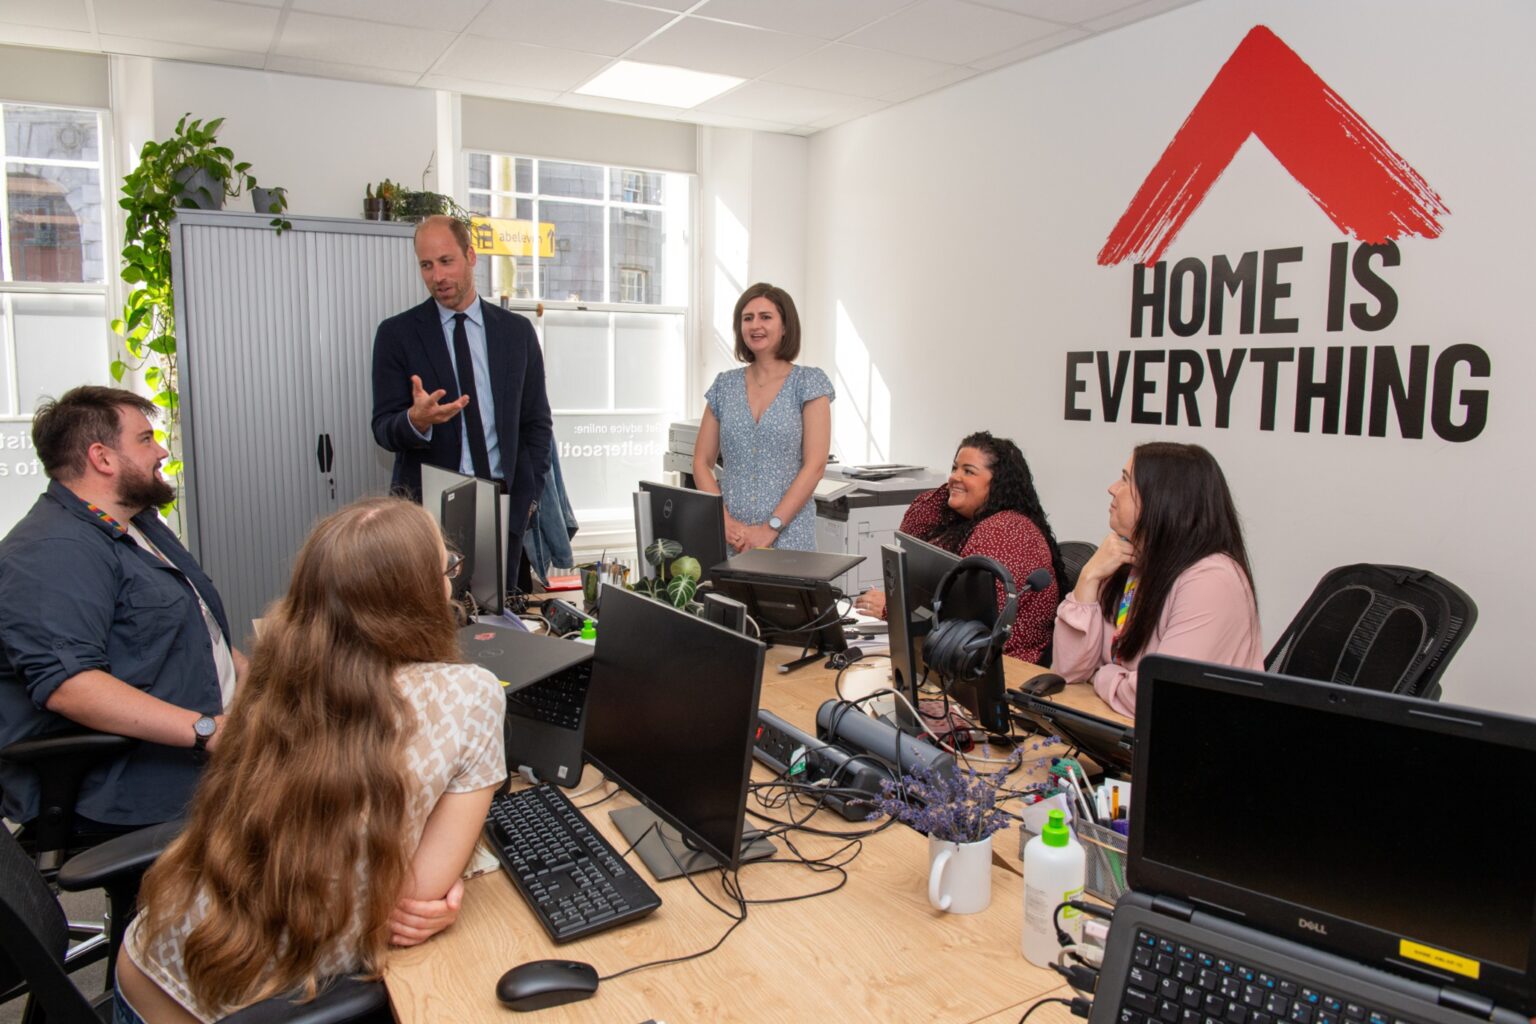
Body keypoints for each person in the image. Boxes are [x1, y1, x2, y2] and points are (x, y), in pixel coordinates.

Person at [117, 497, 506, 1023]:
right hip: (251, 1004)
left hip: (149, 963)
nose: (451, 583)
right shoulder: (470, 695)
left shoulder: (276, 673)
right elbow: (410, 904)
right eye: (446, 569)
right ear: (418, 594)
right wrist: (461, 868)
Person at [0, 386, 245, 833]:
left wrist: (279, 686)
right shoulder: (53, 549)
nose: (161, 451)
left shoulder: (138, 525)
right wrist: (210, 730)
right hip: (134, 783)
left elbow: (196, 631)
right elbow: (71, 686)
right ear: (102, 457)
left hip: (199, 749)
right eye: (146, 439)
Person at [370, 214, 554, 581]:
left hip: (505, 509)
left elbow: (536, 423)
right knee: (431, 628)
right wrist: (416, 421)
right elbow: (383, 428)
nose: (437, 277)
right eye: (426, 265)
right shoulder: (397, 334)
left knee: (502, 628)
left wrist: (527, 499)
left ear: (471, 256)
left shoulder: (517, 333)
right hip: (428, 519)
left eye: (445, 261)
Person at [1051, 442, 1263, 717]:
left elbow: (1157, 697)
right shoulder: (1126, 560)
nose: (1112, 488)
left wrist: (1102, 675)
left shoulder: (1212, 580)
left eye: (1126, 480)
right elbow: (1068, 671)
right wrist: (1089, 577)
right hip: (1118, 735)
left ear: (1163, 498)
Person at [853, 432, 1065, 664]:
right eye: (954, 468)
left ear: (999, 482)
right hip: (962, 659)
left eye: (969, 471)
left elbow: (970, 619)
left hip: (1004, 666)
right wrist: (957, 486)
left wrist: (894, 610)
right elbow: (911, 532)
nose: (954, 476)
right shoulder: (969, 520)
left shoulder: (1007, 530)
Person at [693, 283, 833, 552]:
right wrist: (722, 521)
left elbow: (815, 466)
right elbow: (701, 461)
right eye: (747, 318)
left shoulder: (808, 383)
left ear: (784, 326)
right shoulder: (724, 386)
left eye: (766, 317)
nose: (755, 325)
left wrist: (771, 528)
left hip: (789, 539)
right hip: (733, 539)